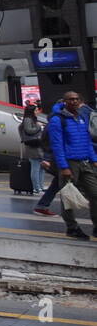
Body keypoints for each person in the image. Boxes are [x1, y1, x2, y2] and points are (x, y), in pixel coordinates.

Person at [46, 91, 97, 240]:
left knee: (95, 194)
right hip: (69, 163)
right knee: (68, 197)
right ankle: (72, 228)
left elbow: (87, 141)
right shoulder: (57, 120)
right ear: (64, 102)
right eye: (70, 99)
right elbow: (57, 145)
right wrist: (64, 167)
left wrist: (94, 158)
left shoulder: (81, 117)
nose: (74, 102)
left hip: (85, 161)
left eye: (76, 99)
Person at [18, 103, 46, 193]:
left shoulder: (32, 119)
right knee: (36, 167)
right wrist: (39, 126)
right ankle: (36, 188)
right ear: (32, 111)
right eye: (36, 110)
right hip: (33, 146)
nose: (38, 111)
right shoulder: (27, 119)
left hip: (38, 145)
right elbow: (29, 131)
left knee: (41, 168)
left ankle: (40, 186)